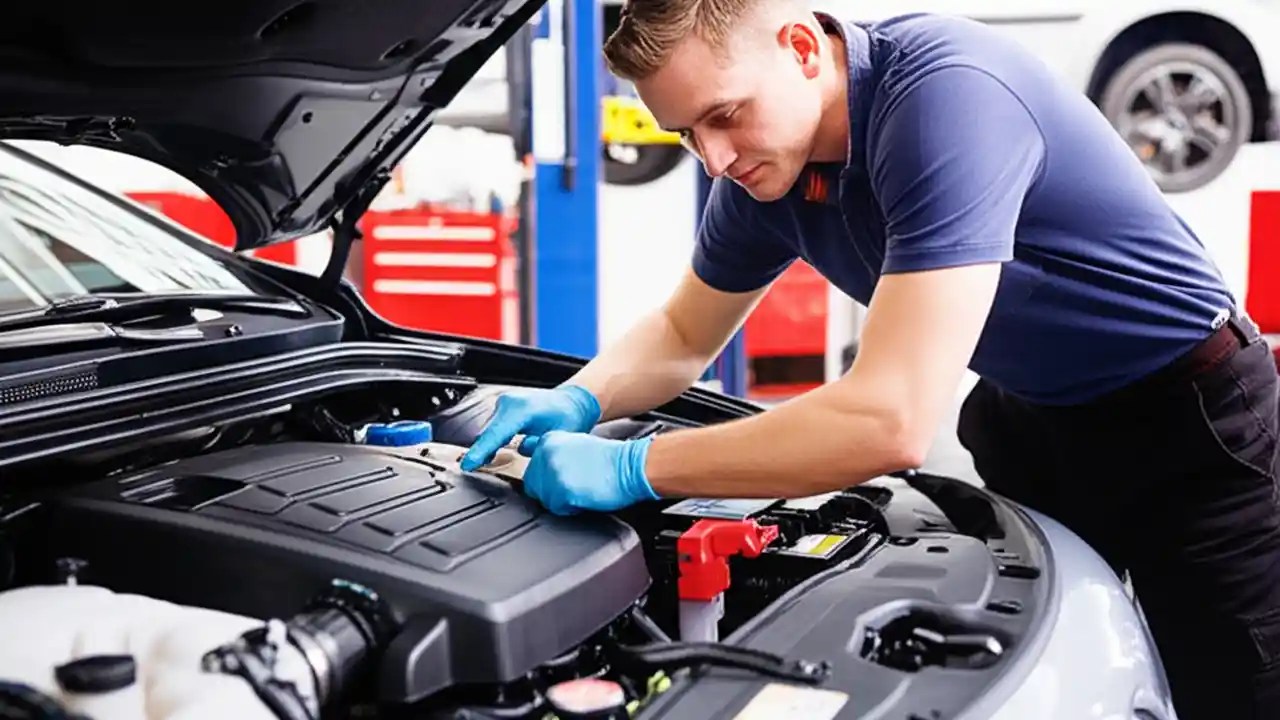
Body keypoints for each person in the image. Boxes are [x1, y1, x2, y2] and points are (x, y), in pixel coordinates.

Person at [460, 1, 1280, 716]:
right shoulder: (761, 173)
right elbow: (682, 334)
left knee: (1233, 695)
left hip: (1192, 425)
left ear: (803, 48)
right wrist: (577, 399)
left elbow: (888, 421)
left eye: (724, 114)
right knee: (1047, 686)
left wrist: (635, 466)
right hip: (1034, 414)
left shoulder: (942, 98)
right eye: (685, 133)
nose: (712, 159)